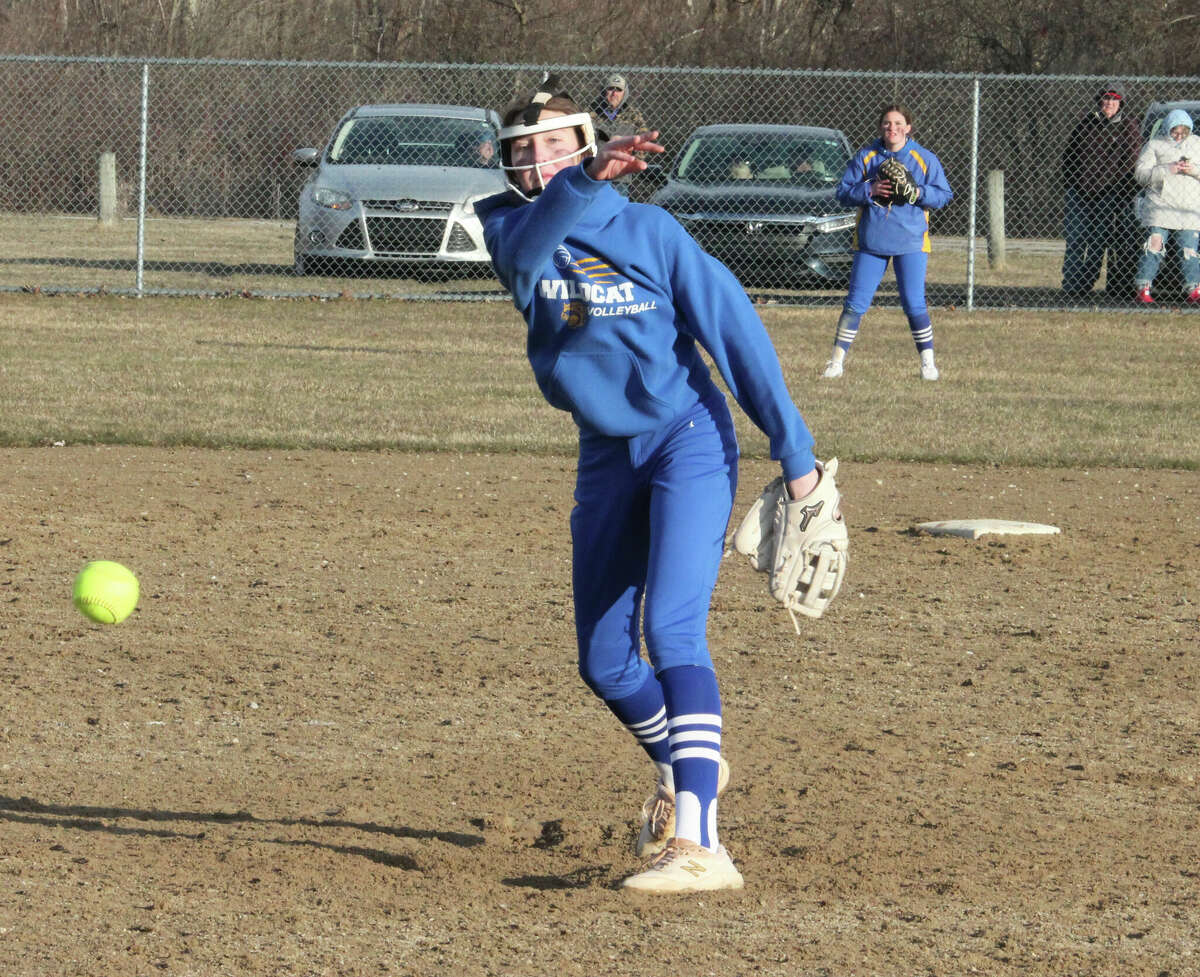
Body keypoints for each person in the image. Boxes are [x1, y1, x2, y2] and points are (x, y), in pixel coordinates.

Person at [476, 76, 843, 893]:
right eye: (521, 150)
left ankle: (701, 844)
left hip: (688, 441)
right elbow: (532, 253)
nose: (535, 161)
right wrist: (581, 178)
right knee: (605, 663)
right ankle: (689, 768)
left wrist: (798, 455)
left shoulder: (651, 230)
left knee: (672, 631)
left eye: (552, 145)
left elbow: (734, 334)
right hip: (606, 453)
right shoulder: (504, 227)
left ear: (584, 142)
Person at [821, 104, 953, 382]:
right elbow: (843, 193)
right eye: (886, 123)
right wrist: (868, 189)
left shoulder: (923, 158)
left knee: (914, 304)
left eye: (897, 123)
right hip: (871, 242)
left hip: (911, 242)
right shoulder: (866, 157)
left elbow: (943, 195)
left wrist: (918, 192)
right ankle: (835, 362)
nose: (891, 128)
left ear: (908, 128)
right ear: (880, 127)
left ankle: (928, 364)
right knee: (855, 303)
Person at [1060, 83, 1142, 298]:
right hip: (1079, 193)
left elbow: (1131, 162)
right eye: (1106, 98)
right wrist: (1071, 184)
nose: (1109, 103)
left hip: (1107, 194)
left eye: (1114, 99)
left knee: (1098, 241)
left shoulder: (1128, 126)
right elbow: (1069, 156)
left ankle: (1086, 282)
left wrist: (1114, 187)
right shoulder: (1086, 123)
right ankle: (1071, 285)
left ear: (1120, 103)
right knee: (1076, 239)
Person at [1132, 108, 1200, 304]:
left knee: (1189, 251)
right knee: (1154, 247)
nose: (1179, 137)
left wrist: (1193, 170)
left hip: (1189, 210)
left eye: (1183, 132)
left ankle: (1194, 289)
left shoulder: (1197, 145)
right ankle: (1143, 288)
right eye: (1175, 132)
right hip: (1159, 208)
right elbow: (1141, 174)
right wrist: (1166, 170)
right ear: (1167, 129)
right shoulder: (1154, 145)